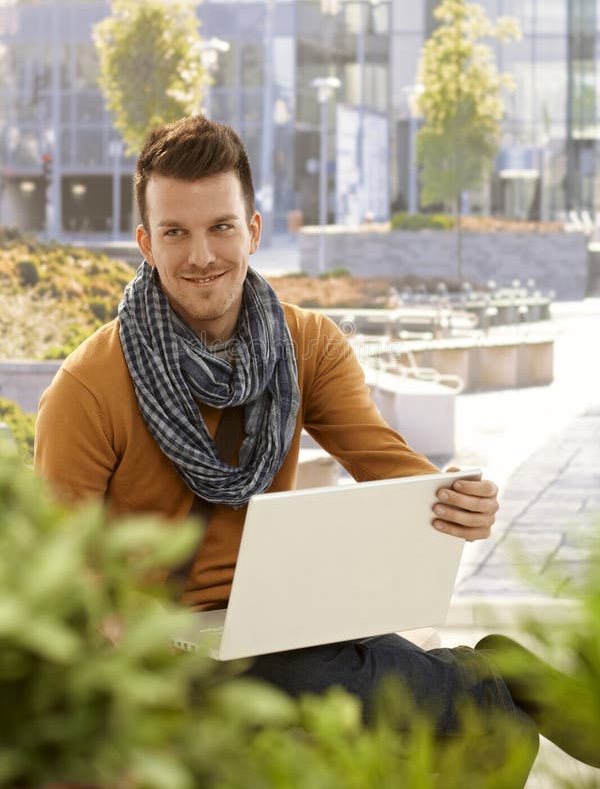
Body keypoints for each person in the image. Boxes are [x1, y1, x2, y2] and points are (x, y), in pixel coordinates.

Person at [34, 115, 598, 777]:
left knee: (314, 665)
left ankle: (492, 695)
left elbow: (394, 472)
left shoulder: (307, 345)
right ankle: (495, 681)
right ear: (145, 244)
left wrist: (460, 500)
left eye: (221, 226)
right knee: (363, 686)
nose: (202, 255)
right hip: (163, 636)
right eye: (175, 233)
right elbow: (59, 561)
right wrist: (109, 627)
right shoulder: (88, 385)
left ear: (254, 230)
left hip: (284, 619)